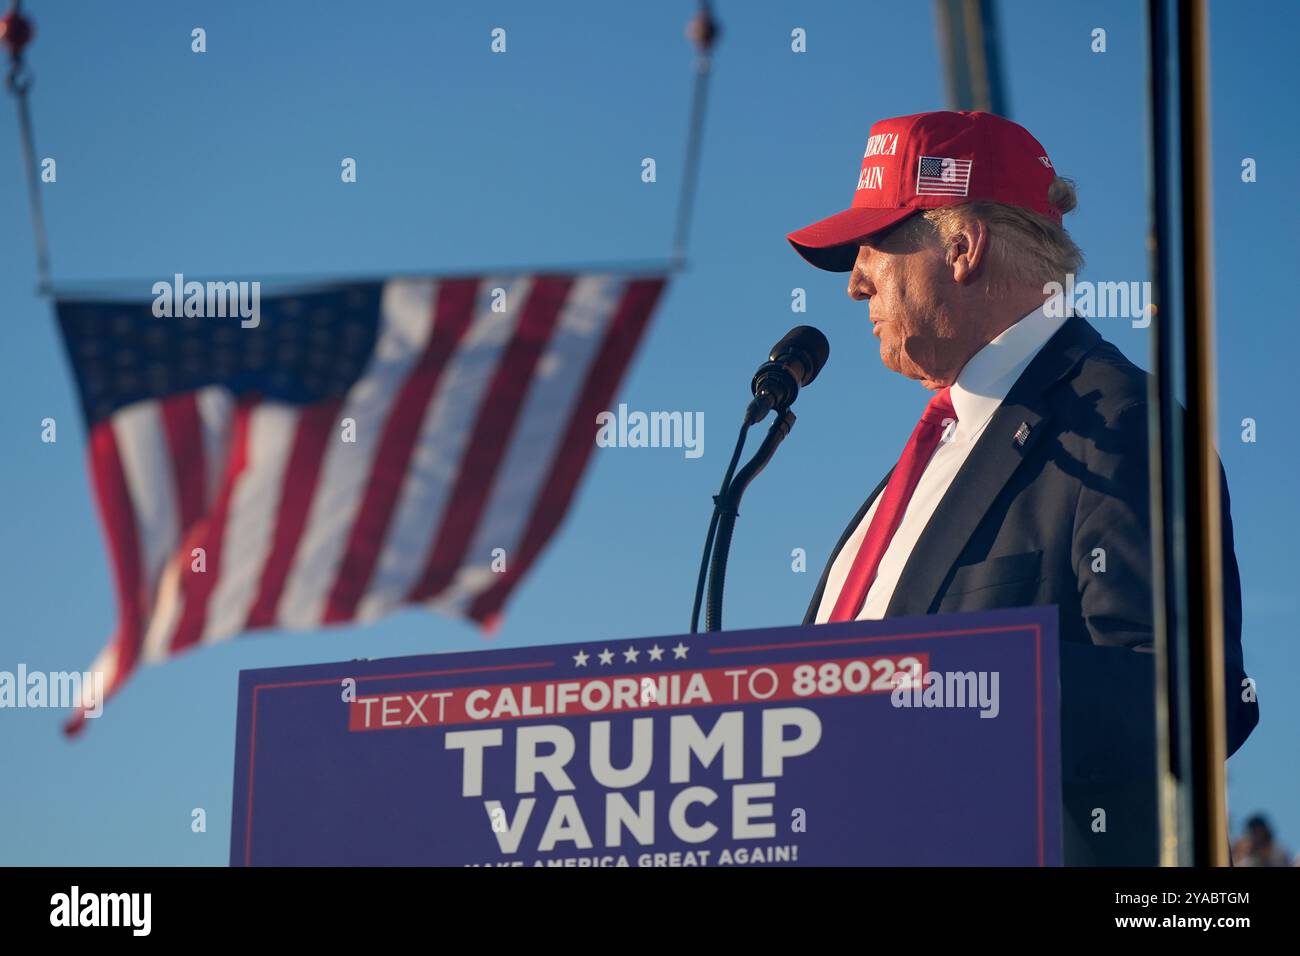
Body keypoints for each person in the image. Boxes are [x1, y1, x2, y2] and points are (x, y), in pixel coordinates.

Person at [785, 110, 1256, 794]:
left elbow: (1195, 700)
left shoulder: (1122, 424)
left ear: (962, 249)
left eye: (875, 243)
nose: (856, 282)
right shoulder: (928, 459)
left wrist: (926, 686)